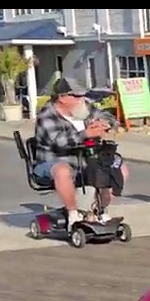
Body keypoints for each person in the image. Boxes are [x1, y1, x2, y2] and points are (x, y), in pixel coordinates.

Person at [33, 77, 126, 223]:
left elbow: (107, 116)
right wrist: (86, 134)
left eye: (83, 94)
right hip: (53, 161)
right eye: (76, 96)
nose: (82, 98)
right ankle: (73, 214)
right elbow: (59, 143)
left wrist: (105, 123)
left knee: (118, 167)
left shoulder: (84, 108)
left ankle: (98, 210)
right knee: (62, 170)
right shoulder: (46, 116)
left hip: (84, 159)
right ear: (62, 97)